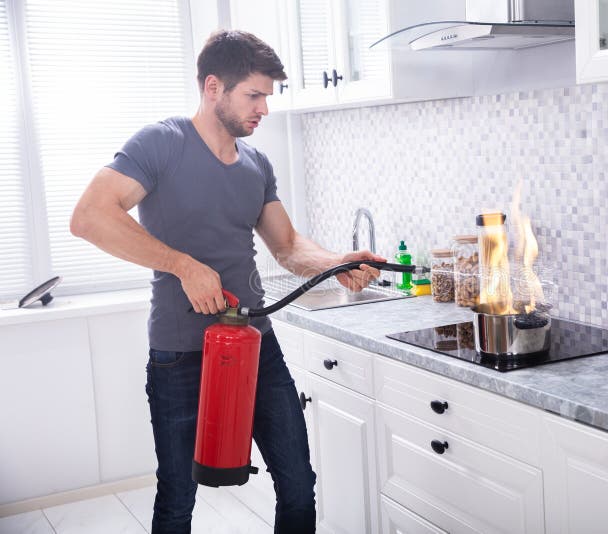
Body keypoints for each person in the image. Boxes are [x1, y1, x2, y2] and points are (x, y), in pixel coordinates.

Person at [70, 29, 384, 533]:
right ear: (213, 87)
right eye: (254, 95)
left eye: (267, 96)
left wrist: (336, 261)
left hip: (256, 345)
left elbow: (287, 246)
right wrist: (183, 265)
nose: (264, 108)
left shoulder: (256, 164)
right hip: (180, 355)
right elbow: (89, 217)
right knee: (178, 494)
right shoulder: (162, 143)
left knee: (299, 484)